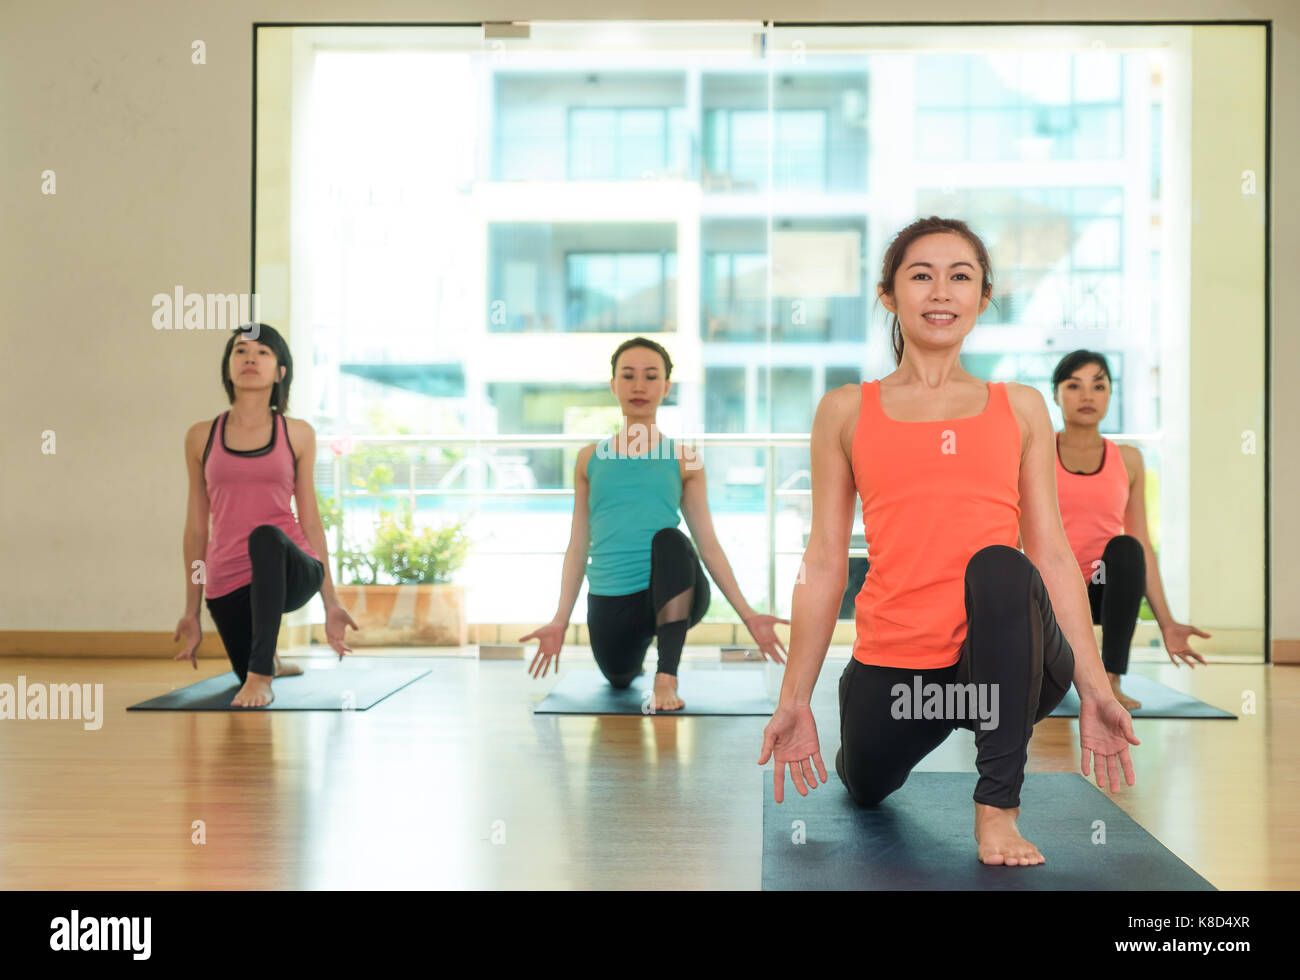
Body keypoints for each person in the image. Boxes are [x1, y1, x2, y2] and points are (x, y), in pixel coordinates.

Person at [758, 216, 1140, 866]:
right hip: (901, 672)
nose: (942, 291)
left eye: (960, 276)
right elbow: (823, 561)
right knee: (866, 786)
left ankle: (997, 809)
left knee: (1001, 567)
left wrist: (1098, 689)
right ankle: (872, 748)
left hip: (1010, 665)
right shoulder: (846, 410)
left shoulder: (1018, 406)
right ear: (888, 294)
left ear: (983, 297)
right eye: (921, 275)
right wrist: (793, 699)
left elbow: (1049, 554)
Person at [522, 338, 788, 711]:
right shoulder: (588, 459)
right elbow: (578, 545)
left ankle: (667, 677)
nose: (639, 386)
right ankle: (637, 659)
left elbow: (707, 544)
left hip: (674, 592)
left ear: (666, 387)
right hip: (612, 604)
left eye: (651, 376)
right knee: (619, 677)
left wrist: (750, 616)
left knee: (671, 539)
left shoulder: (685, 458)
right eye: (627, 376)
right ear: (613, 385)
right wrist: (559, 622)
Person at [172, 324, 357, 707]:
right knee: (244, 666)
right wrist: (191, 609)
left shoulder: (298, 434)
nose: (250, 359)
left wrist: (331, 602)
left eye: (263, 353)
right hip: (228, 583)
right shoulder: (200, 437)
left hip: (292, 569)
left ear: (280, 372)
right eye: (240, 352)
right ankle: (267, 660)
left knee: (266, 537)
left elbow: (309, 521)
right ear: (228, 369)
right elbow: (195, 529)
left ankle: (262, 675)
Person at [1051, 350, 1210, 709]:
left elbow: (1141, 544)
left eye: (1098, 385)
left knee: (1126, 547)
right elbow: (1015, 532)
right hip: (1052, 588)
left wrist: (1167, 622)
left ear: (1110, 394)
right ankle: (1046, 675)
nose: (1087, 395)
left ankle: (1110, 680)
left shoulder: (1128, 458)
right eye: (1074, 385)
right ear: (1056, 394)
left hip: (1104, 589)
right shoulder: (1038, 451)